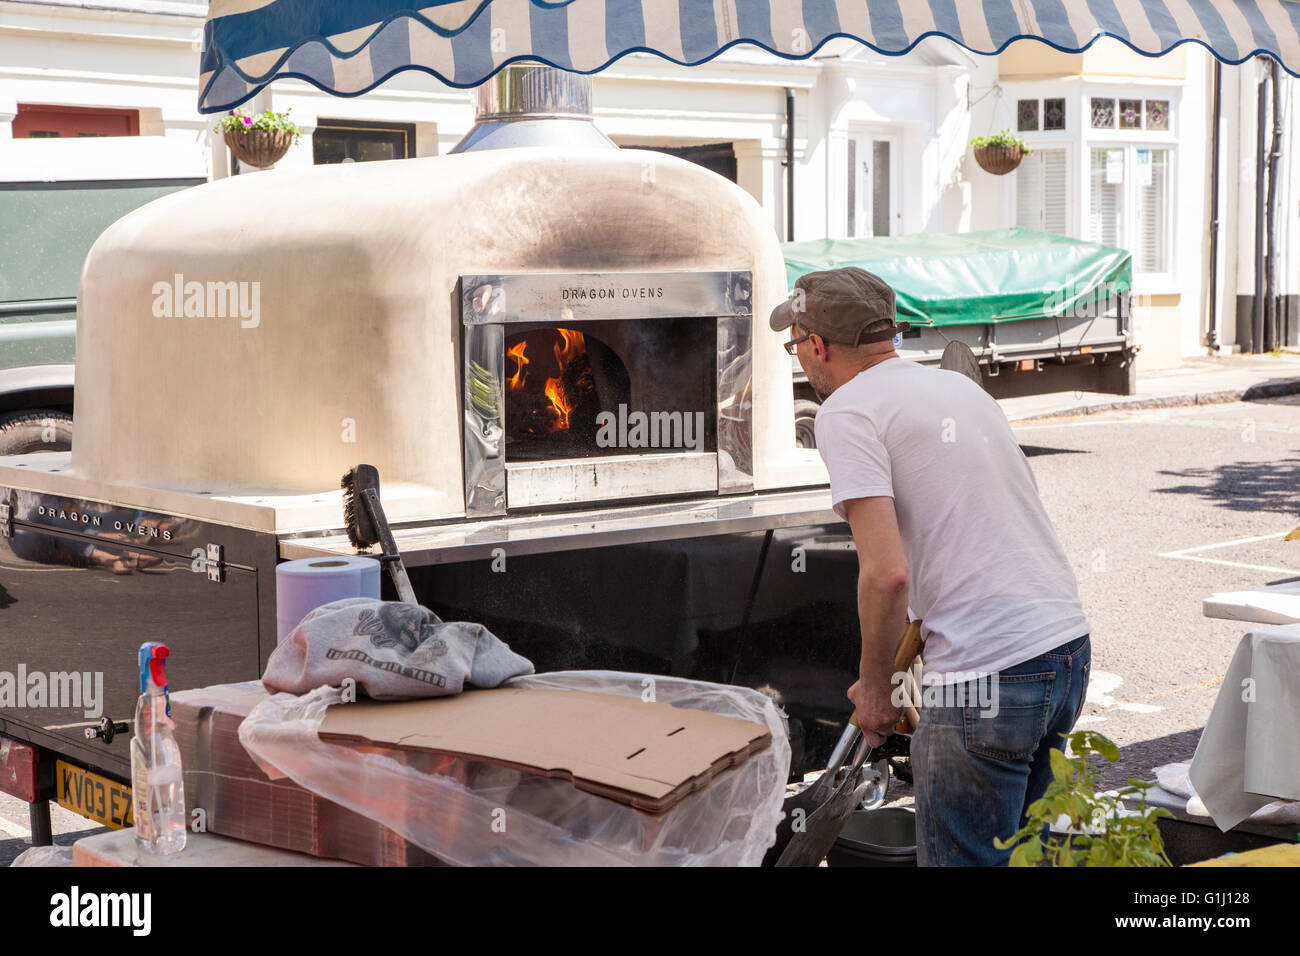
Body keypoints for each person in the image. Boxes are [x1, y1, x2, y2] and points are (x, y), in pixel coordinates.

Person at [771, 267, 1091, 866]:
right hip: (1064, 648)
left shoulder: (846, 412)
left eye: (796, 346)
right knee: (1031, 859)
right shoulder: (961, 390)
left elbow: (885, 573)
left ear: (816, 345)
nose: (801, 360)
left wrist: (874, 690)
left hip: (986, 672)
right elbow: (972, 529)